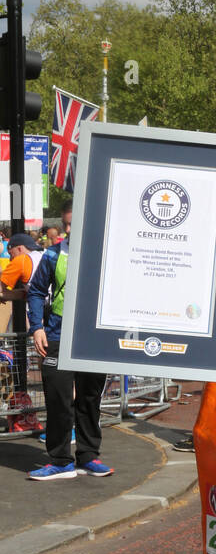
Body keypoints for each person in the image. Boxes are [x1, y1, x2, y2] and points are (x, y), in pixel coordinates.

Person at [25, 201, 114, 480]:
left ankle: (88, 456)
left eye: (72, 223)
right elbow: (37, 291)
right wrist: (36, 327)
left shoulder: (106, 254)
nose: (66, 229)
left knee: (89, 400)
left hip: (93, 339)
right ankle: (61, 460)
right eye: (65, 224)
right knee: (58, 399)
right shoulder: (52, 255)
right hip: (57, 337)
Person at [0, 232, 45, 434]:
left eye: (10, 254)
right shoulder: (46, 256)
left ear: (18, 248)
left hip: (42, 325)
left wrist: (4, 294)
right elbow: (30, 292)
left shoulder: (21, 261)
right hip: (58, 320)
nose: (10, 259)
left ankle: (64, 428)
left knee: (51, 378)